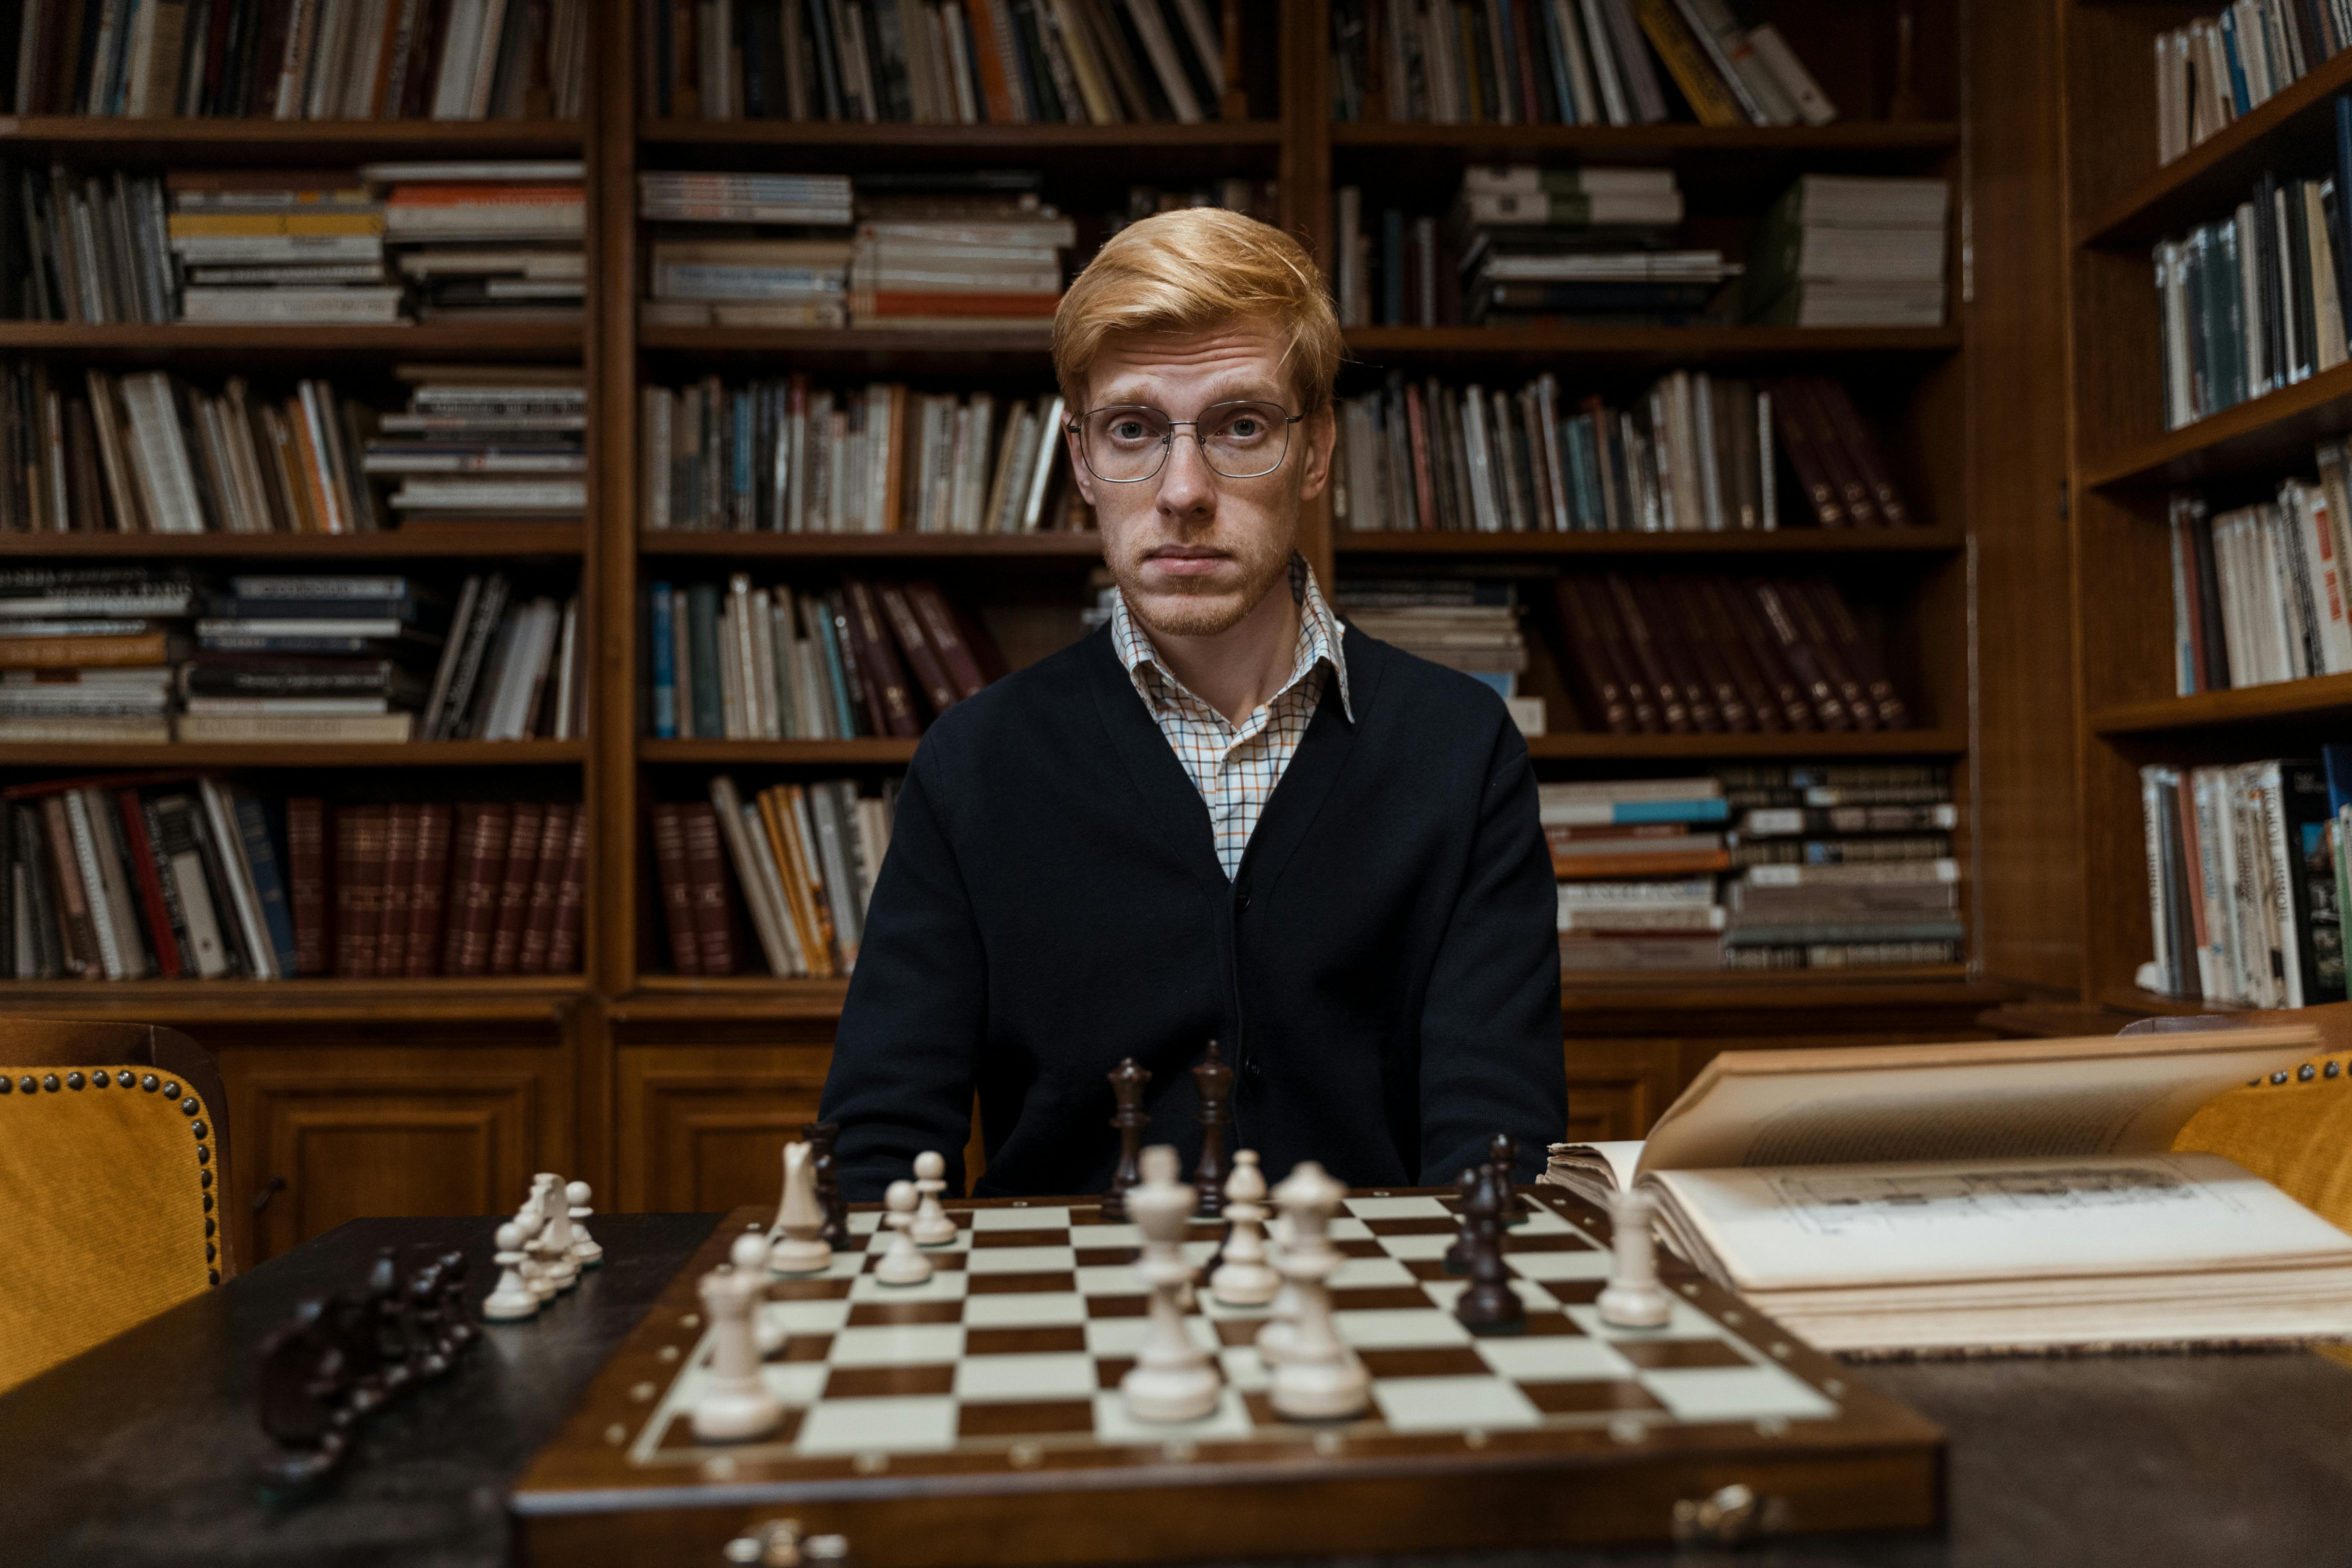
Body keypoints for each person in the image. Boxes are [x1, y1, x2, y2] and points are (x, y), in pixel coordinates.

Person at [819, 206, 1564, 1200]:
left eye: (1240, 426)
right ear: (1081, 458)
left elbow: (1496, 1151)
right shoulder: (976, 762)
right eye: (1133, 429)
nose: (1183, 490)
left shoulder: (1459, 751)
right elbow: (877, 1155)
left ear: (1315, 452)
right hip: (1056, 1330)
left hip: (1366, 1327)